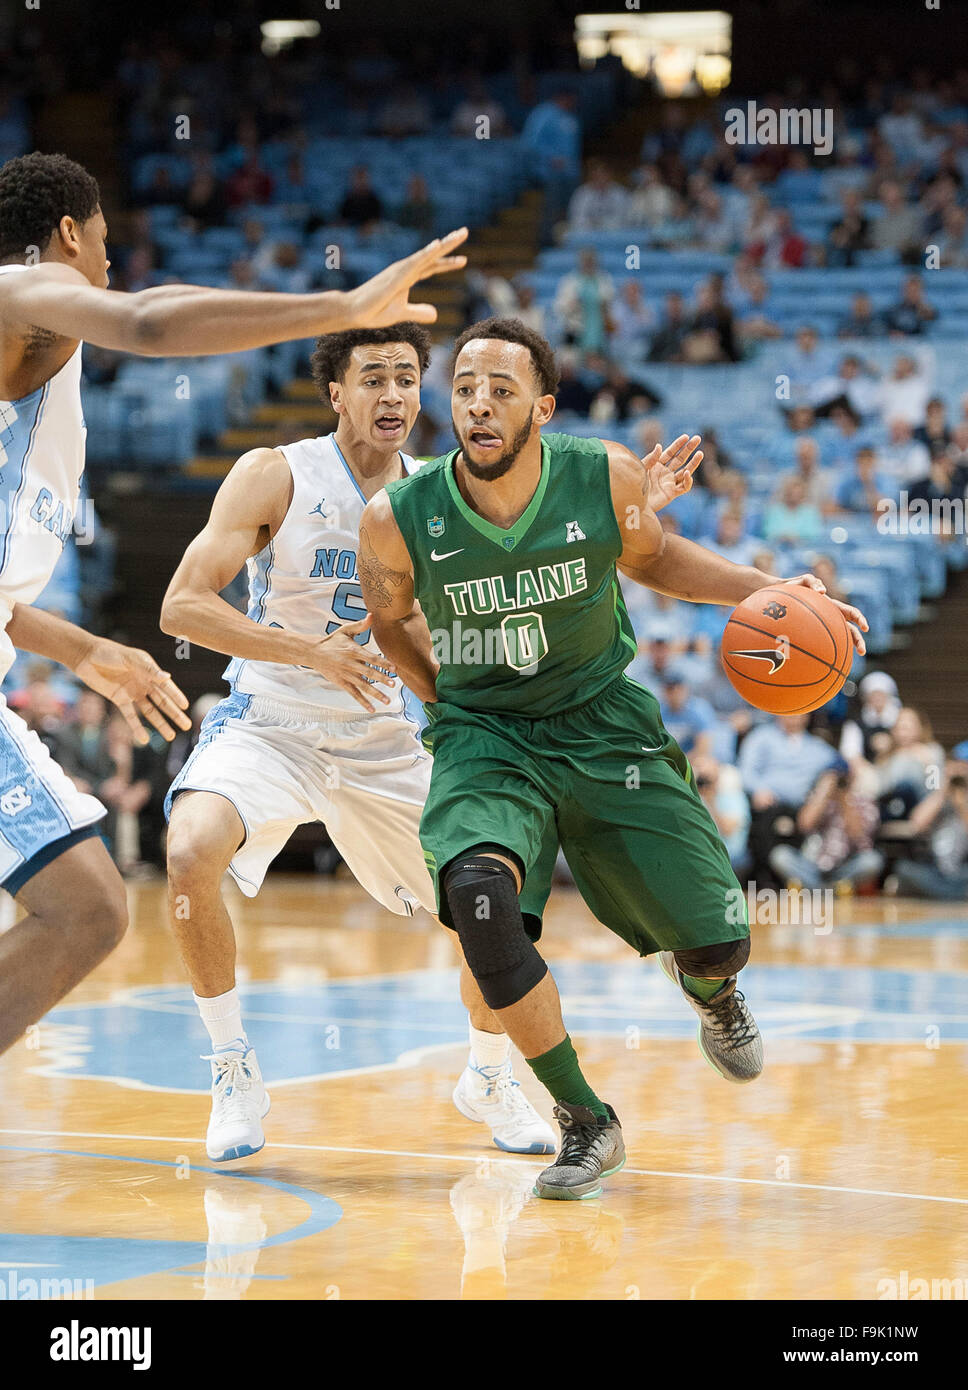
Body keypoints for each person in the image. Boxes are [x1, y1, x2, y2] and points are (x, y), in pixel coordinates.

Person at [358, 316, 868, 1199]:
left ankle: (712, 990)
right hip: (486, 738)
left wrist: (770, 587)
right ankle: (584, 1120)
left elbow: (660, 558)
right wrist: (449, 703)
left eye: (501, 390)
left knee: (717, 938)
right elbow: (392, 621)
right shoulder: (397, 516)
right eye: (465, 387)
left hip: (602, 723)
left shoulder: (604, 475)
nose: (478, 405)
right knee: (481, 904)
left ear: (543, 408)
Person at [0, 150, 468, 1058]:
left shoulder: (47, 362)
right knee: (88, 909)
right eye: (102, 245)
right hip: (277, 723)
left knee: (86, 911)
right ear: (67, 235)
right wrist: (341, 310)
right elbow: (147, 317)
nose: (108, 264)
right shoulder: (16, 293)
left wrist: (84, 649)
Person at [161, 322, 560, 1162]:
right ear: (335, 393)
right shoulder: (276, 473)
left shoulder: (441, 492)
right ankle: (232, 1067)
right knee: (190, 847)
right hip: (273, 723)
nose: (393, 396)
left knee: (495, 905)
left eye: (408, 378)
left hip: (384, 740)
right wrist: (312, 653)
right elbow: (184, 607)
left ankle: (487, 1073)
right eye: (372, 378)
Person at [738, 713, 841, 884]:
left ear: (807, 717)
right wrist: (758, 789)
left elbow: (840, 764)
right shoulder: (762, 736)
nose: (793, 718)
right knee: (764, 824)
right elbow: (746, 770)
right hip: (767, 803)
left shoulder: (816, 746)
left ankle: (799, 878)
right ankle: (764, 880)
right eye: (789, 713)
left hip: (801, 810)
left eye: (798, 713)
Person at [769, 762, 884, 892]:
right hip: (812, 865)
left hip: (844, 867)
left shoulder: (864, 801)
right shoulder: (817, 797)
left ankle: (817, 889)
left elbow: (857, 835)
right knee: (780, 855)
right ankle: (827, 890)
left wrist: (844, 798)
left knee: (872, 861)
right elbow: (804, 825)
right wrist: (823, 792)